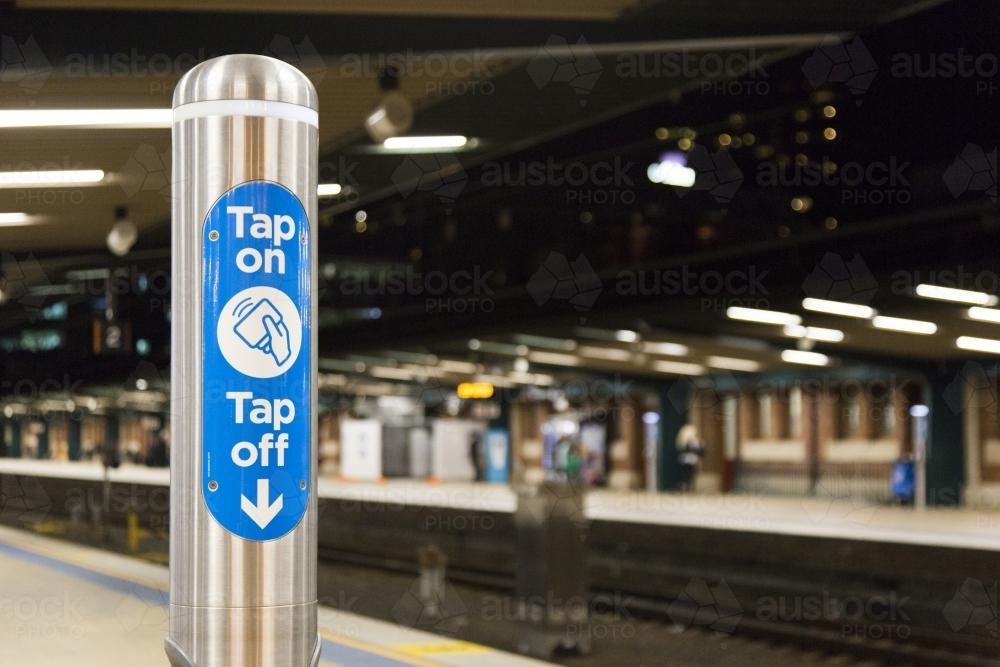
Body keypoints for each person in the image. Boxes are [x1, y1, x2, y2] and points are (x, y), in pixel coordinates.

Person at [676, 424, 705, 492]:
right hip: (688, 461)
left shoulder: (694, 442)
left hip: (691, 461)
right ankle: (686, 487)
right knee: (687, 475)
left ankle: (688, 488)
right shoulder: (689, 442)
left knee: (689, 475)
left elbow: (702, 453)